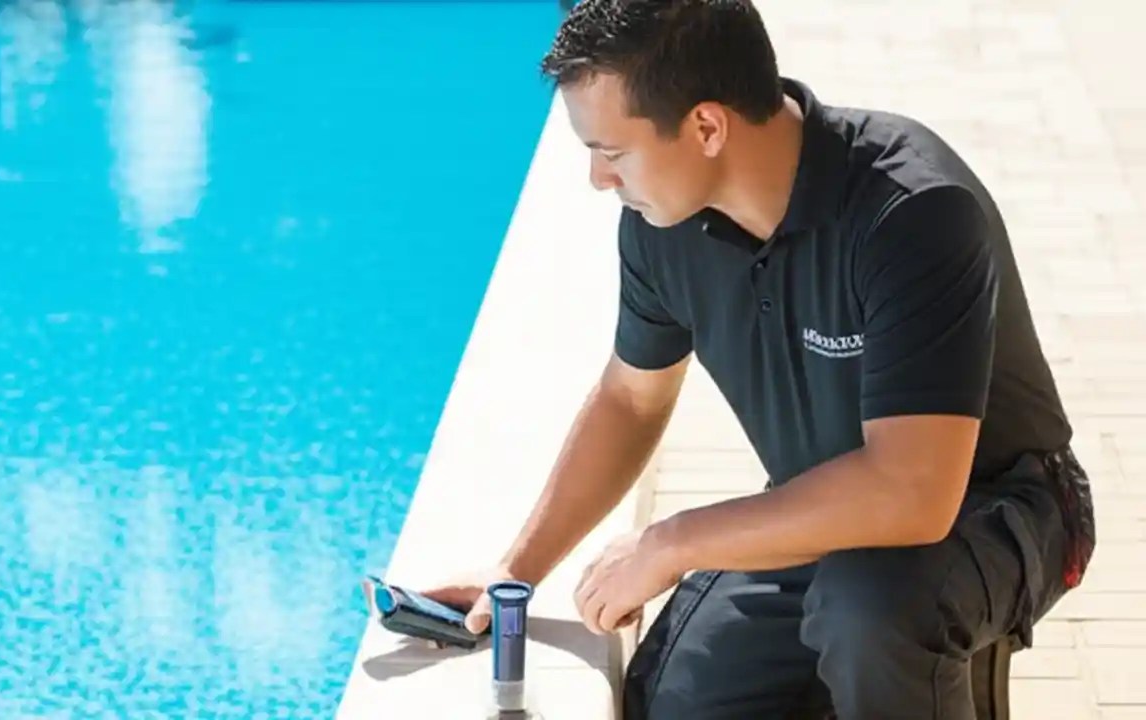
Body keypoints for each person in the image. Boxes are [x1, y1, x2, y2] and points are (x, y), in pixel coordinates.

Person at [423, 1, 1097, 717]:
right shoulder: (661, 227)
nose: (598, 179)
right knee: (680, 693)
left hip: (1000, 510)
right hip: (830, 513)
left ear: (707, 126)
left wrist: (670, 543)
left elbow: (913, 494)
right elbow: (631, 399)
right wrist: (515, 573)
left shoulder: (910, 210)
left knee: (870, 610)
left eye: (612, 152)